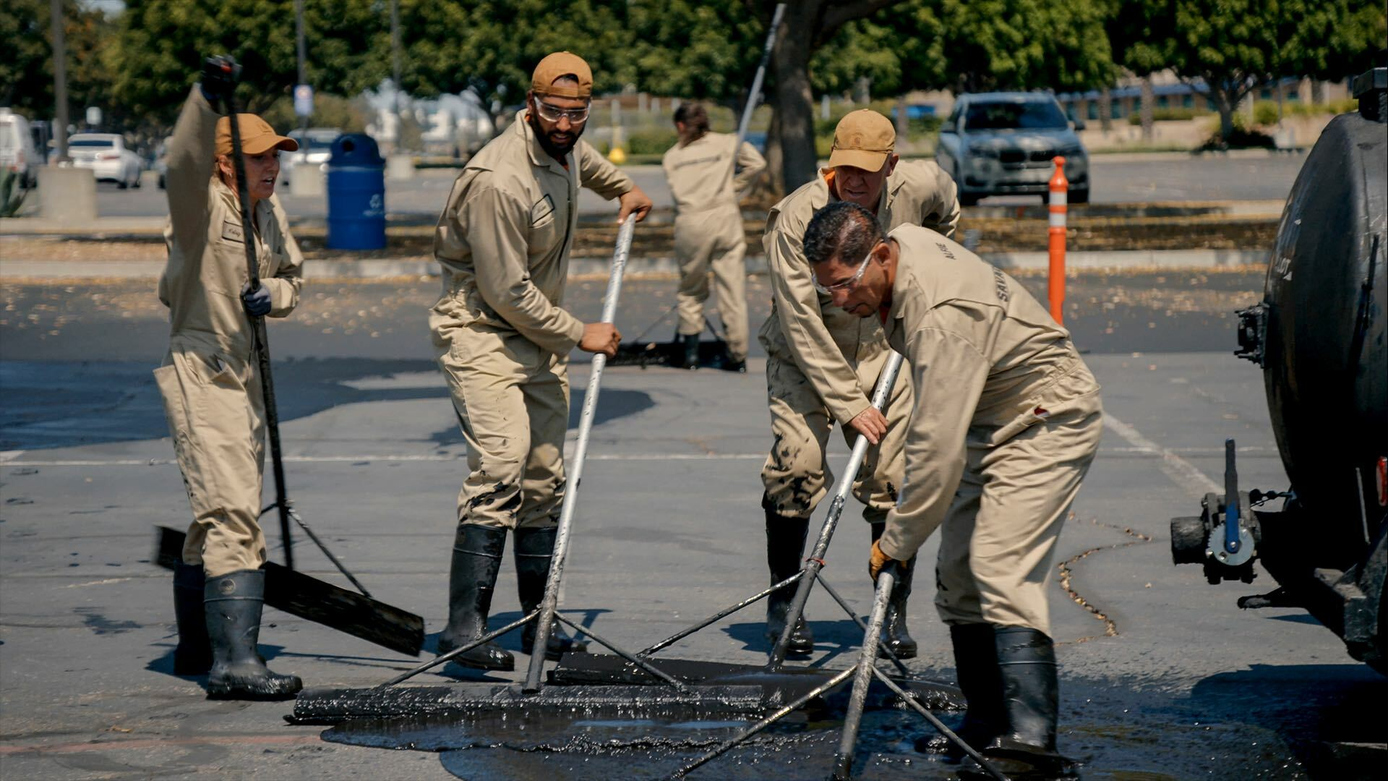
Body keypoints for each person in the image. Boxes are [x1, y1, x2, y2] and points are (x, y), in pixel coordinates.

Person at [803, 201, 1103, 778]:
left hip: (1046, 415)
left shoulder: (943, 316)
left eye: (843, 284)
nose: (839, 300)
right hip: (990, 418)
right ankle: (985, 724)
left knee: (998, 565)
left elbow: (935, 452)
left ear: (881, 255)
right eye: (827, 290)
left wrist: (895, 541)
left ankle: (1028, 743)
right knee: (960, 575)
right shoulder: (904, 245)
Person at [431, 51, 653, 670]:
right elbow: (505, 290)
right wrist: (581, 332)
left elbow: (583, 161)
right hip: (481, 330)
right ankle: (462, 632)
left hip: (536, 335)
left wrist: (623, 188)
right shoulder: (502, 180)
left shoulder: (564, 145)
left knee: (544, 477)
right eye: (552, 111)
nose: (564, 123)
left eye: (576, 113)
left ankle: (535, 623)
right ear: (530, 105)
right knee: (500, 466)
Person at [757, 109, 960, 656]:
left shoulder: (916, 185)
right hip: (806, 352)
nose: (854, 181)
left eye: (868, 171)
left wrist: (927, 274)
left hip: (881, 346)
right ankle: (784, 606)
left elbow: (947, 210)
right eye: (844, 167)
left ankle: (889, 610)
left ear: (891, 164)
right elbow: (798, 319)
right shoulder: (798, 218)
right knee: (795, 466)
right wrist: (848, 404)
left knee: (893, 480)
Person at [155, 56, 304, 700]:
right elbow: (180, 162)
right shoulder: (198, 207)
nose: (273, 167)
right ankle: (236, 664)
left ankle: (197, 645)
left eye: (277, 156)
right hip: (202, 364)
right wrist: (207, 98)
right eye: (259, 158)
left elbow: (295, 278)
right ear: (225, 163)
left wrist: (275, 291)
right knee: (236, 510)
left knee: (213, 515)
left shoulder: (267, 212)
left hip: (242, 371)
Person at [660, 101, 766, 371]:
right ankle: (738, 354)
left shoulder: (672, 156)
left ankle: (691, 353)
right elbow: (756, 163)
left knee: (691, 289)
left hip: (690, 221)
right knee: (732, 290)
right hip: (724, 217)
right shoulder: (729, 142)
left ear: (681, 126)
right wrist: (733, 188)